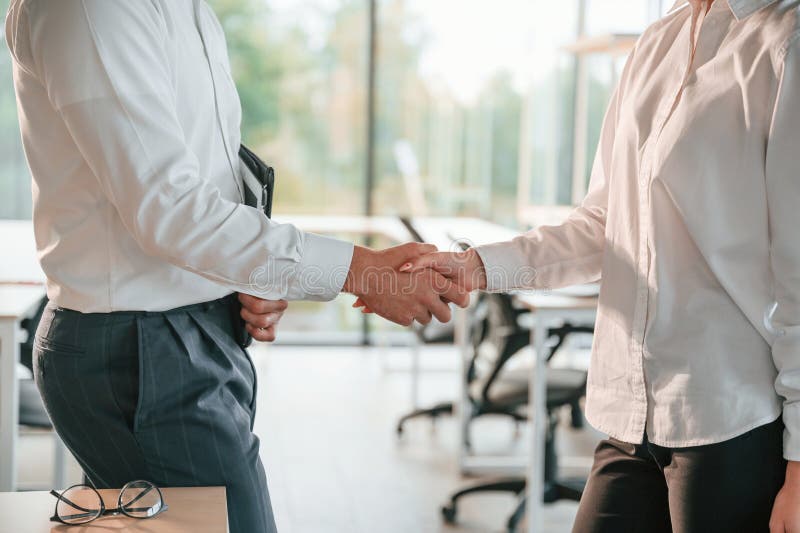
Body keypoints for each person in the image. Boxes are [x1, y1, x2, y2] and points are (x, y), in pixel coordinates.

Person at [4, 1, 468, 532]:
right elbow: (171, 210)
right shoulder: (98, 7)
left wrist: (250, 273)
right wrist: (362, 270)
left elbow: (206, 179)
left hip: (178, 336)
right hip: (140, 349)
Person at [397, 0, 800, 531]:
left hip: (729, 419)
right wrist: (479, 267)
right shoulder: (656, 43)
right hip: (629, 415)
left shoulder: (783, 43)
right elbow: (603, 223)